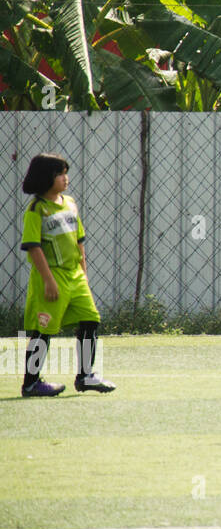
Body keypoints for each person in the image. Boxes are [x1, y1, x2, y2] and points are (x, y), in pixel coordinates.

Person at [19, 153, 115, 397]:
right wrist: (49, 280)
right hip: (51, 277)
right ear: (46, 177)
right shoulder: (36, 209)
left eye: (65, 172)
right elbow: (33, 246)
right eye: (60, 173)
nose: (65, 178)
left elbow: (79, 238)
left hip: (75, 276)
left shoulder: (70, 203)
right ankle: (31, 383)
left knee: (90, 320)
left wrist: (83, 271)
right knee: (43, 331)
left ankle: (85, 376)